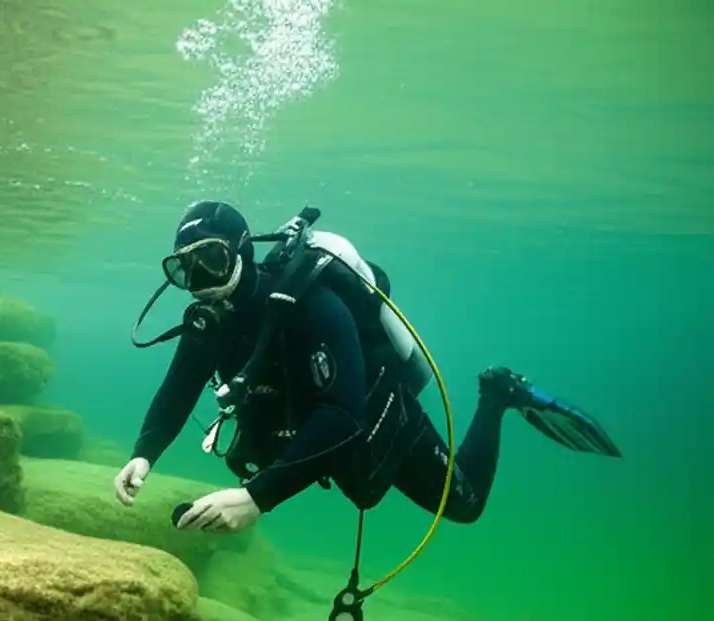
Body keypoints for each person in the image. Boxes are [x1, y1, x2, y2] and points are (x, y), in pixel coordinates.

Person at [113, 200, 621, 534]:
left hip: (376, 420)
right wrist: (144, 453)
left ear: (242, 253)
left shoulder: (310, 304)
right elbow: (178, 388)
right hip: (306, 437)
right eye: (184, 267)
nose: (199, 278)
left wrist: (257, 498)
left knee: (465, 506)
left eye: (212, 260)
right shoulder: (210, 321)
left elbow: (342, 413)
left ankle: (497, 395)